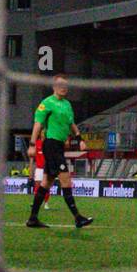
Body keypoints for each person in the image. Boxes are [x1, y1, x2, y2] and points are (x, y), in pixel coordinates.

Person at [26, 74, 93, 229]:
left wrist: (80, 138)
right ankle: (78, 217)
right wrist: (32, 144)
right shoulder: (46, 103)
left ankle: (33, 218)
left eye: (66, 85)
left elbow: (71, 124)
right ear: (54, 87)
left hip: (59, 146)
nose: (64, 88)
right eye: (60, 85)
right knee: (66, 179)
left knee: (46, 183)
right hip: (51, 145)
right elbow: (38, 124)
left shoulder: (67, 105)